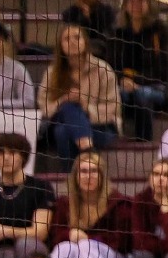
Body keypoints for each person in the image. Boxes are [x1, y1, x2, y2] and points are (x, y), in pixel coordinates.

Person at [37, 24, 121, 165]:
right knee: (67, 107)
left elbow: (112, 108)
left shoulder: (103, 70)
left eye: (77, 37)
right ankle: (88, 151)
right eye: (67, 39)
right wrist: (63, 100)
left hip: (101, 127)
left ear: (85, 42)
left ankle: (70, 175)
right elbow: (43, 105)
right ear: (60, 45)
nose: (72, 42)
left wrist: (85, 106)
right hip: (59, 123)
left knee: (63, 132)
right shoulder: (52, 72)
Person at [45, 151, 131, 258]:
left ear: (102, 175)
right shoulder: (64, 203)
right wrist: (69, 235)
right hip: (78, 256)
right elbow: (55, 236)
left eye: (94, 171)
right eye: (83, 171)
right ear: (75, 176)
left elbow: (121, 241)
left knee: (86, 246)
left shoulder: (118, 202)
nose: (88, 176)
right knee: (64, 248)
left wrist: (89, 238)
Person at [113, 0, 168, 142]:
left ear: (149, 5)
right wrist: (122, 79)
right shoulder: (117, 31)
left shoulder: (160, 30)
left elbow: (166, 67)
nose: (136, 5)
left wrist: (137, 82)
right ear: (125, 5)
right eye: (131, 1)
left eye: (141, 1)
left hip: (157, 87)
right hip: (125, 86)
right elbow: (111, 63)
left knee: (142, 95)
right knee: (119, 95)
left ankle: (144, 145)